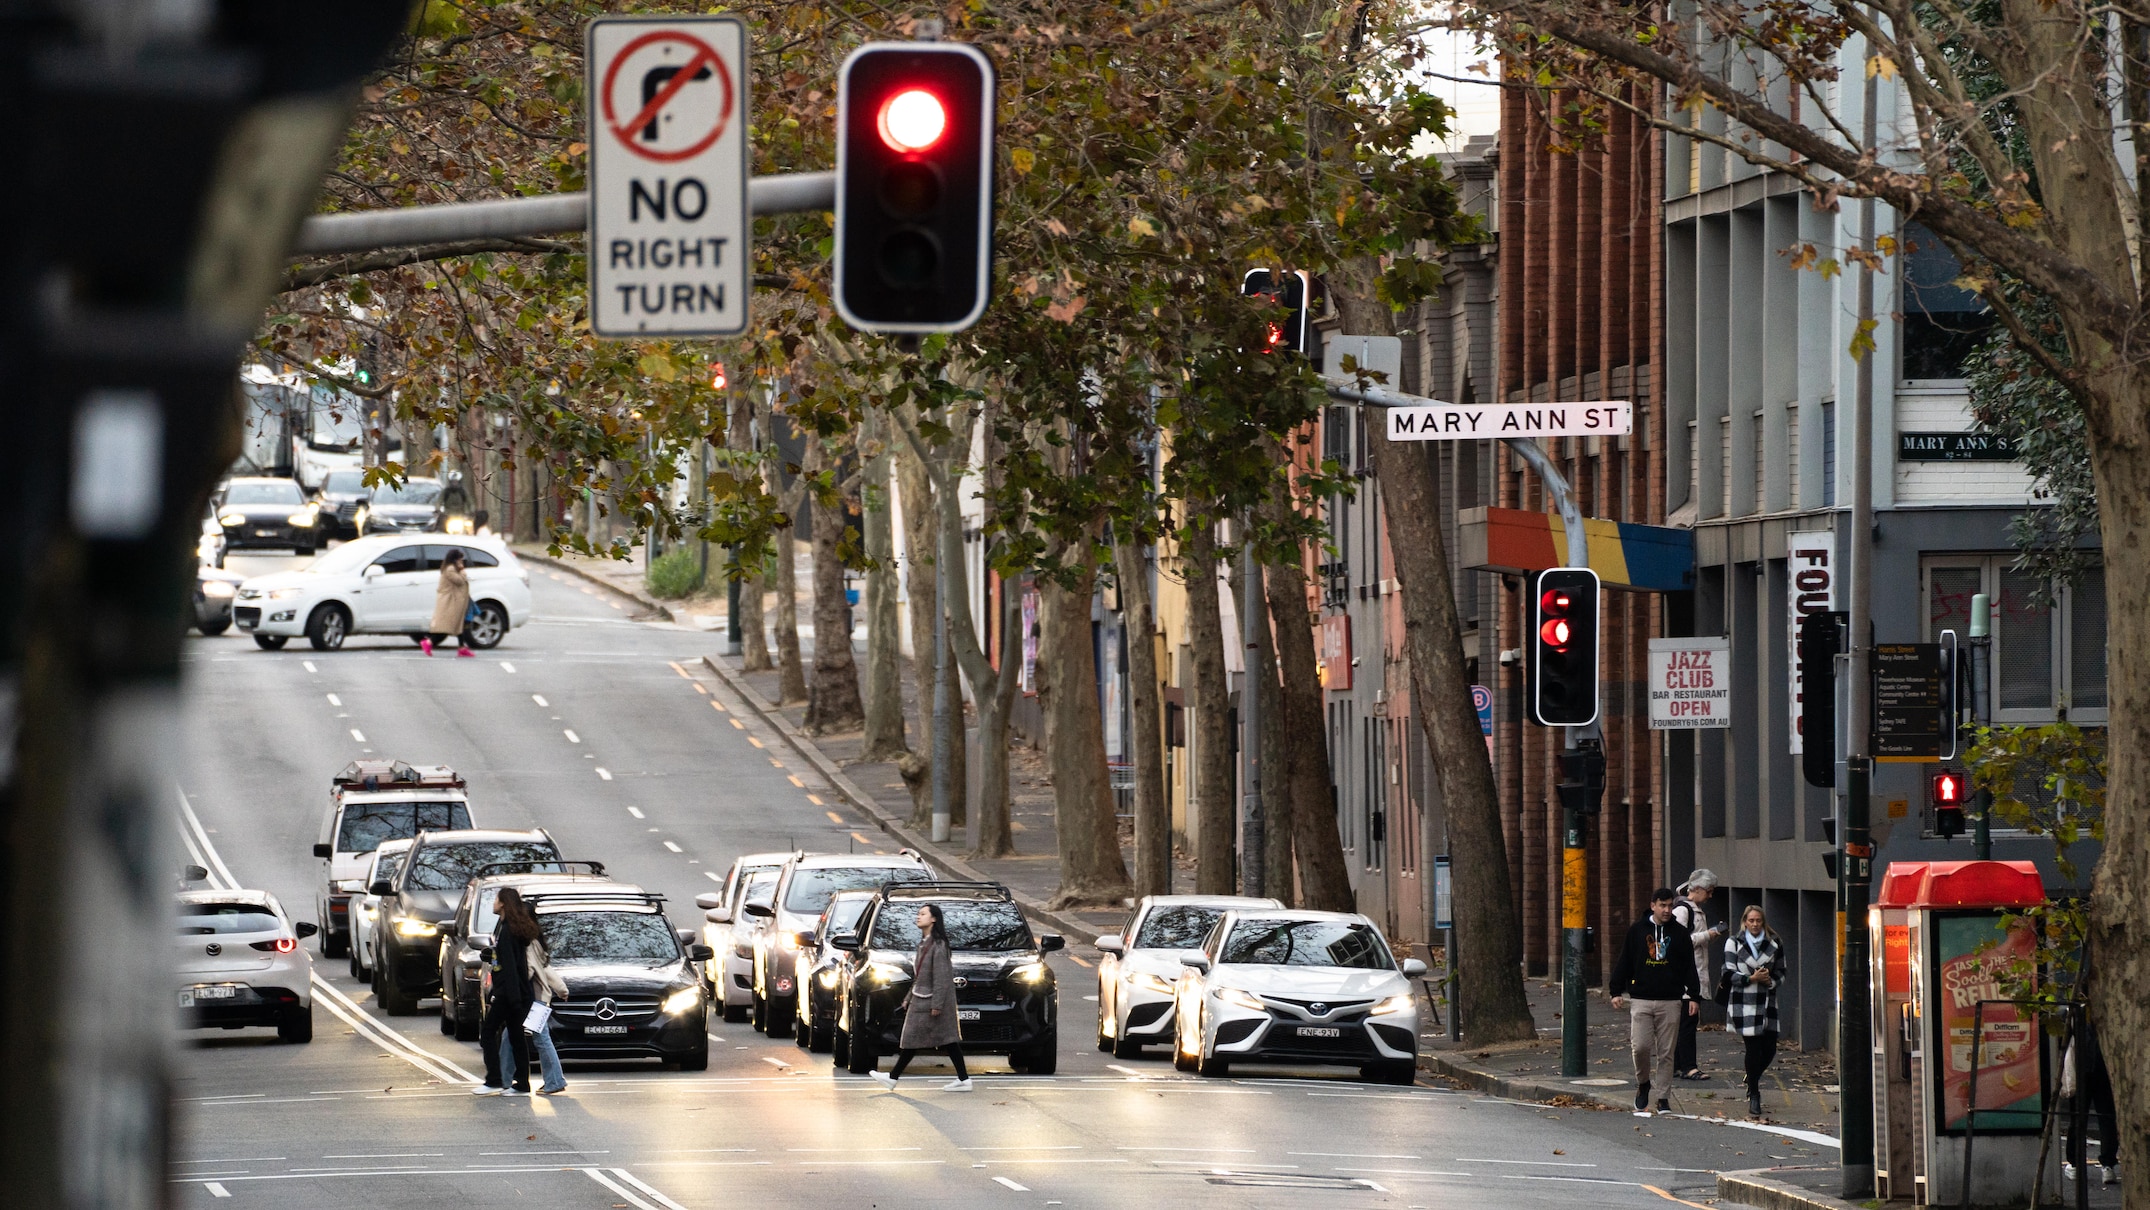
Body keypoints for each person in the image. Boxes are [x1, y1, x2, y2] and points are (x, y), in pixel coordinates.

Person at [1610, 887, 1700, 1113]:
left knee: (1666, 1052)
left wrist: (1694, 996)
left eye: (1670, 905)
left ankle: (1663, 1096)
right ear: (1653, 906)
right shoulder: (1637, 931)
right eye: (1662, 905)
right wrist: (1616, 990)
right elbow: (1625, 961)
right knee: (1640, 1047)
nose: (1667, 910)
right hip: (1641, 998)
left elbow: (1689, 966)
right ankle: (1643, 1084)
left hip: (1670, 999)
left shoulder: (1679, 934)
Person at [869, 904, 972, 1091]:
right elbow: (920, 976)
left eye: (923, 914)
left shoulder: (938, 945)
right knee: (946, 1040)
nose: (918, 917)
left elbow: (942, 977)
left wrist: (937, 1004)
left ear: (934, 919)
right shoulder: (925, 943)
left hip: (929, 999)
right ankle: (964, 1079)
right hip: (921, 997)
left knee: (914, 1038)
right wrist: (908, 997)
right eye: (918, 914)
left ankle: (893, 1078)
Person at [1721, 905, 1786, 1118]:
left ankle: (1752, 1077)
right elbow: (1727, 973)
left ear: (1763, 922)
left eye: (1758, 920)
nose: (1755, 924)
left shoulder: (1775, 942)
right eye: (1751, 921)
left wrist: (1771, 981)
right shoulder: (1734, 942)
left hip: (1767, 1002)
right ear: (1745, 922)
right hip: (1744, 1002)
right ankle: (1755, 1094)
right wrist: (1750, 978)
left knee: (1770, 1049)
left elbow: (1782, 971)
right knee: (1753, 1048)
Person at [474, 888, 538, 1096]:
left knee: (488, 1033)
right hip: (518, 993)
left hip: (510, 994)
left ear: (503, 903)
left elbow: (510, 966)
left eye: (496, 899)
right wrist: (492, 955)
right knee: (517, 1038)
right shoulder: (507, 928)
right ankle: (522, 1084)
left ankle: (494, 1079)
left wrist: (512, 998)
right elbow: (506, 960)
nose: (493, 903)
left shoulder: (507, 930)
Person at [1671, 869, 1725, 1080]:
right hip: (1686, 978)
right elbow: (1679, 941)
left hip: (1691, 975)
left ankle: (1678, 1065)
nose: (1711, 896)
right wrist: (1707, 934)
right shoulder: (1683, 911)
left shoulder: (1691, 909)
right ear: (1699, 889)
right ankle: (1688, 1067)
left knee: (1684, 1022)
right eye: (1709, 891)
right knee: (1687, 1023)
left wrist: (1707, 936)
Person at [2064, 1017, 2119, 1186]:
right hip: (2105, 1069)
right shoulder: (2106, 1014)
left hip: (2082, 1069)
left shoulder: (2077, 1013)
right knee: (2107, 1118)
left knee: (2078, 1119)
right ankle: (2107, 1165)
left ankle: (2075, 1163)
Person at [527, 921, 570, 1096]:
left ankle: (555, 1080)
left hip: (535, 999)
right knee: (541, 1039)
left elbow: (531, 970)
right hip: (542, 999)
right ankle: (554, 1080)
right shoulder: (536, 943)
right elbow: (546, 969)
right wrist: (561, 989)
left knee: (542, 1039)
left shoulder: (528, 944)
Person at [422, 547, 475, 658]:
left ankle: (461, 648)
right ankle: (428, 643)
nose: (461, 562)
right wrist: (462, 571)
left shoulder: (450, 568)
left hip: (454, 601)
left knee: (458, 625)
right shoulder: (450, 569)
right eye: (460, 559)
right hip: (449, 602)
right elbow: (460, 581)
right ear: (454, 559)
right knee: (446, 627)